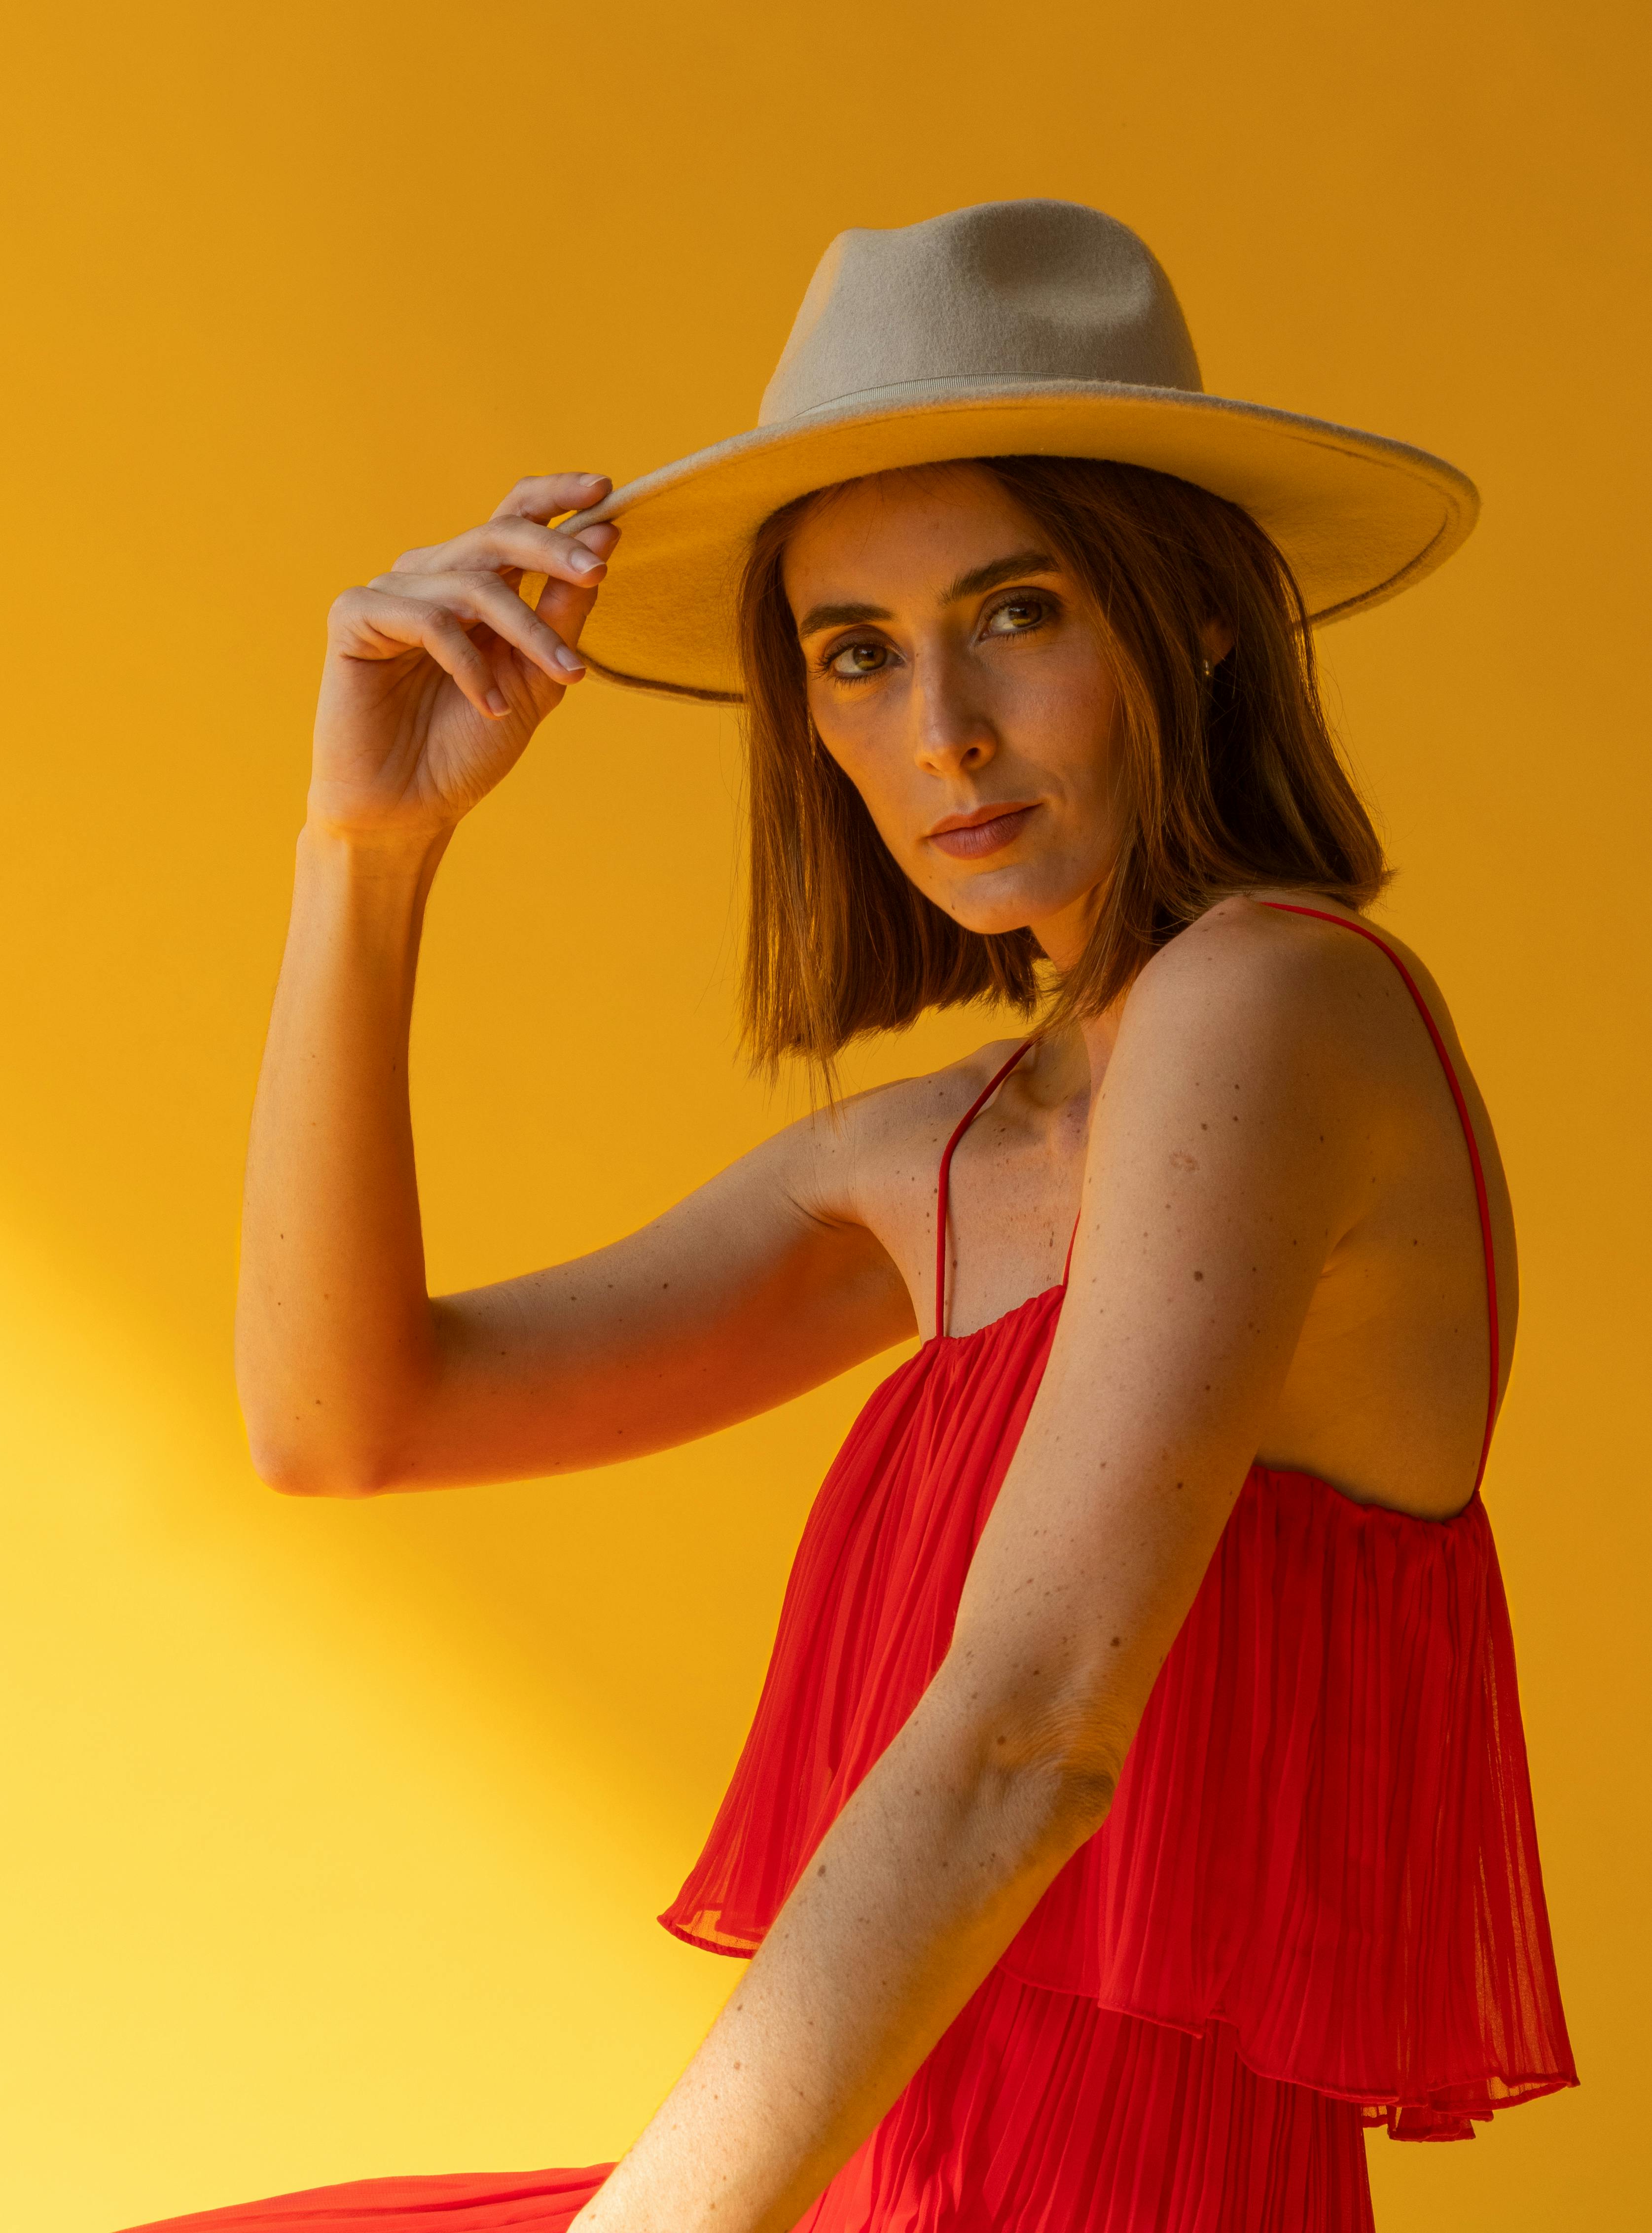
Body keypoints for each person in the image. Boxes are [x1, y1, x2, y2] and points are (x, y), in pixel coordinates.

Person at [126, 202, 1576, 2233]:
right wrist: (365, 856)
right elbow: (344, 1416)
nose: (942, 731)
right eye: (859, 654)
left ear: (1199, 616)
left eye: (1017, 610)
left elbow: (1031, 1735)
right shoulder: (932, 1157)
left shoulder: (1281, 1003)